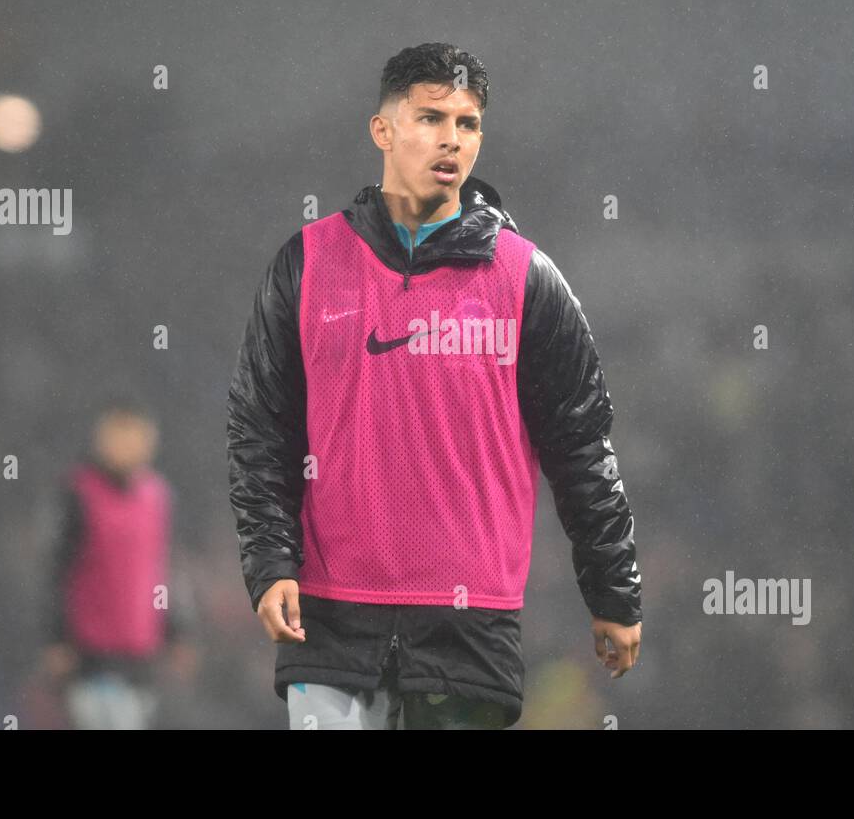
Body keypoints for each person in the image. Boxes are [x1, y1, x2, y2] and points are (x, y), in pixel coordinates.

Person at [227, 43, 642, 730]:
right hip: (331, 621)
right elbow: (260, 429)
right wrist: (270, 565)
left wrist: (614, 591)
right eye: (429, 117)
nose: (452, 137)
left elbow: (582, 445)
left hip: (469, 625)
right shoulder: (307, 264)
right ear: (382, 130)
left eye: (468, 122)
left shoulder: (527, 278)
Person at [42, 397, 195, 729]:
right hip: (91, 653)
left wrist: (179, 629)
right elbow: (57, 569)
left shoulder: (159, 496)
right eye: (118, 434)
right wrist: (56, 638)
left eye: (135, 435)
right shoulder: (77, 494)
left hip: (141, 652)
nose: (126, 445)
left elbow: (169, 567)